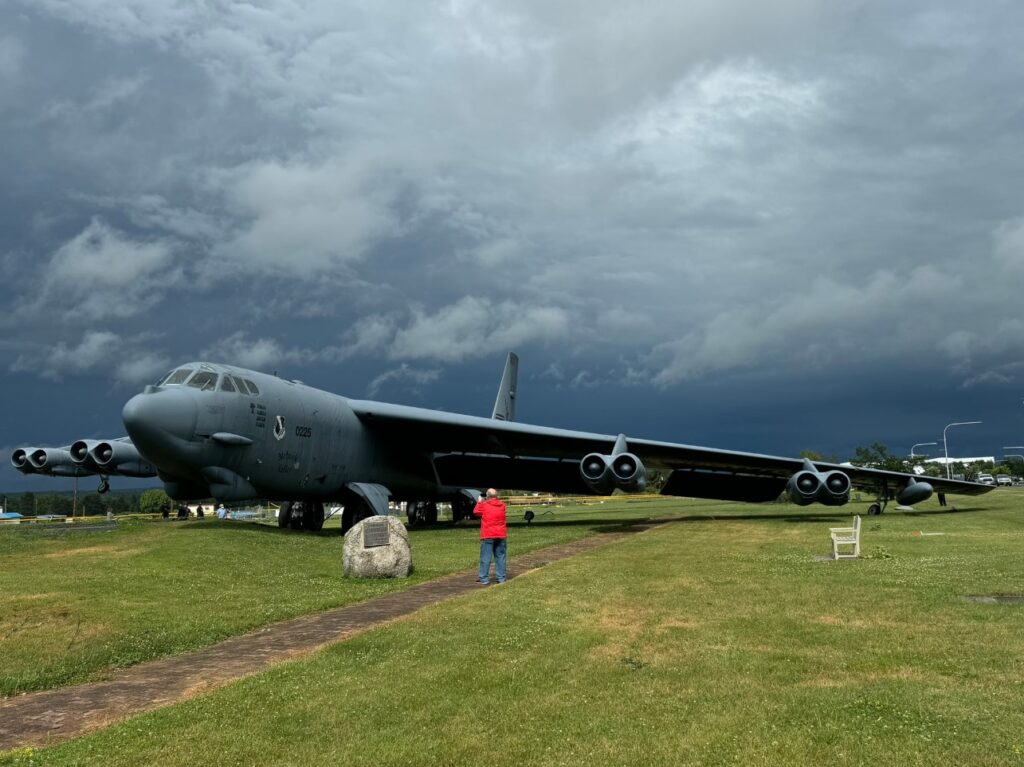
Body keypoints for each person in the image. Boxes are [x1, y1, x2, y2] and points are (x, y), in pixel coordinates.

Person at [473, 488, 507, 585]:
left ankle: (484, 578)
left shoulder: (484, 505)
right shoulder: (502, 505)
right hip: (501, 534)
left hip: (488, 534)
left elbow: (476, 512)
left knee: (485, 557)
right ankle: (501, 578)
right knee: (500, 557)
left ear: (487, 496)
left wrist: (479, 501)